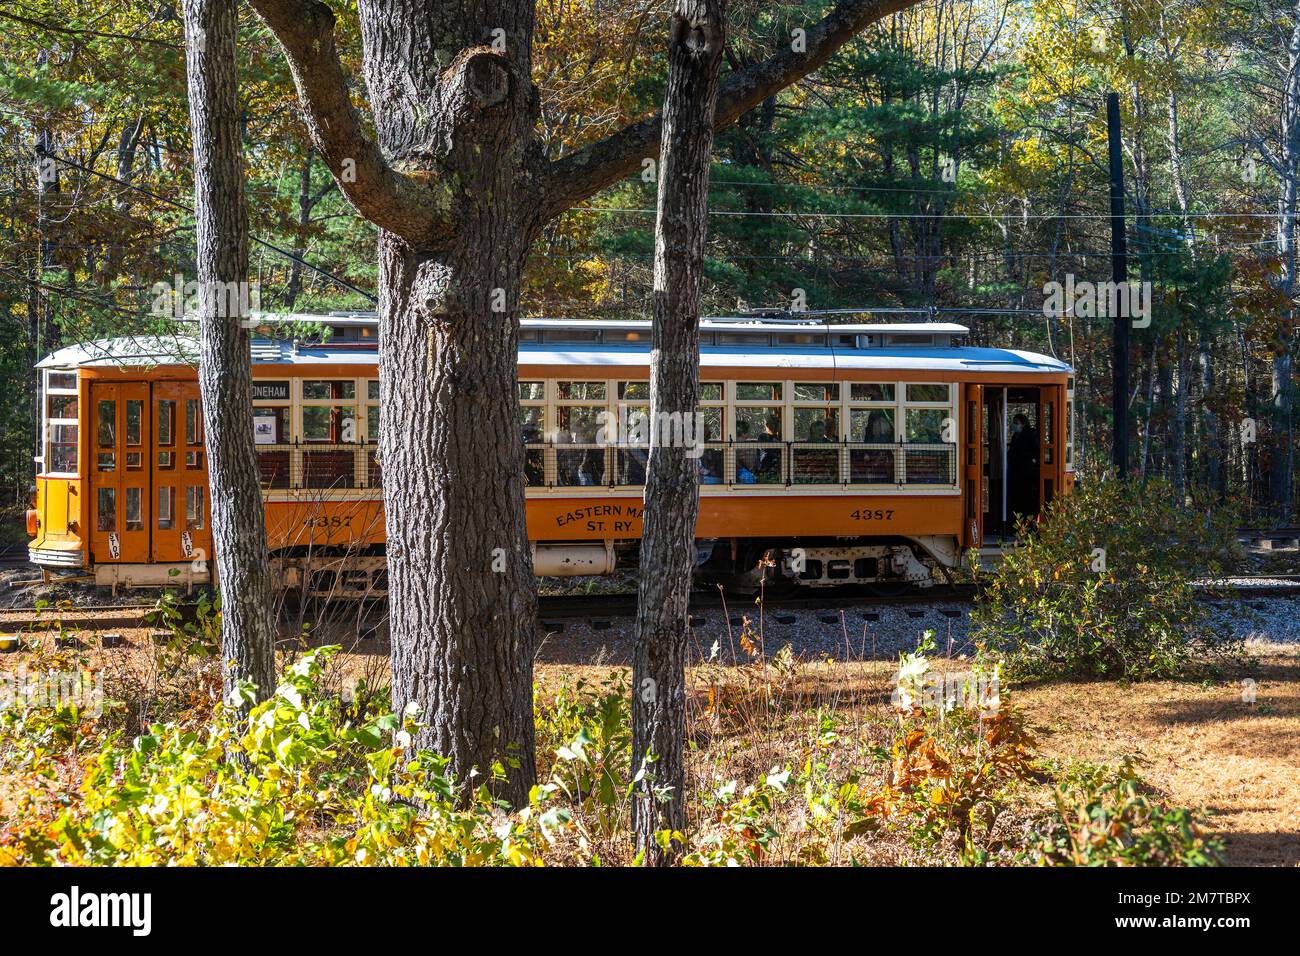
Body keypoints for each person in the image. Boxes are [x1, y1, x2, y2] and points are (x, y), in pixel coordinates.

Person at [1007, 412, 1039, 520]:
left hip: (1026, 473)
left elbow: (1035, 452)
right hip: (1015, 473)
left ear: (1023, 424)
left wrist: (1025, 457)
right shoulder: (1015, 436)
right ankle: (1017, 521)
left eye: (1016, 423)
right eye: (1014, 423)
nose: (1014, 425)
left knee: (1026, 498)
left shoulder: (1031, 435)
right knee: (1016, 498)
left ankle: (1028, 522)